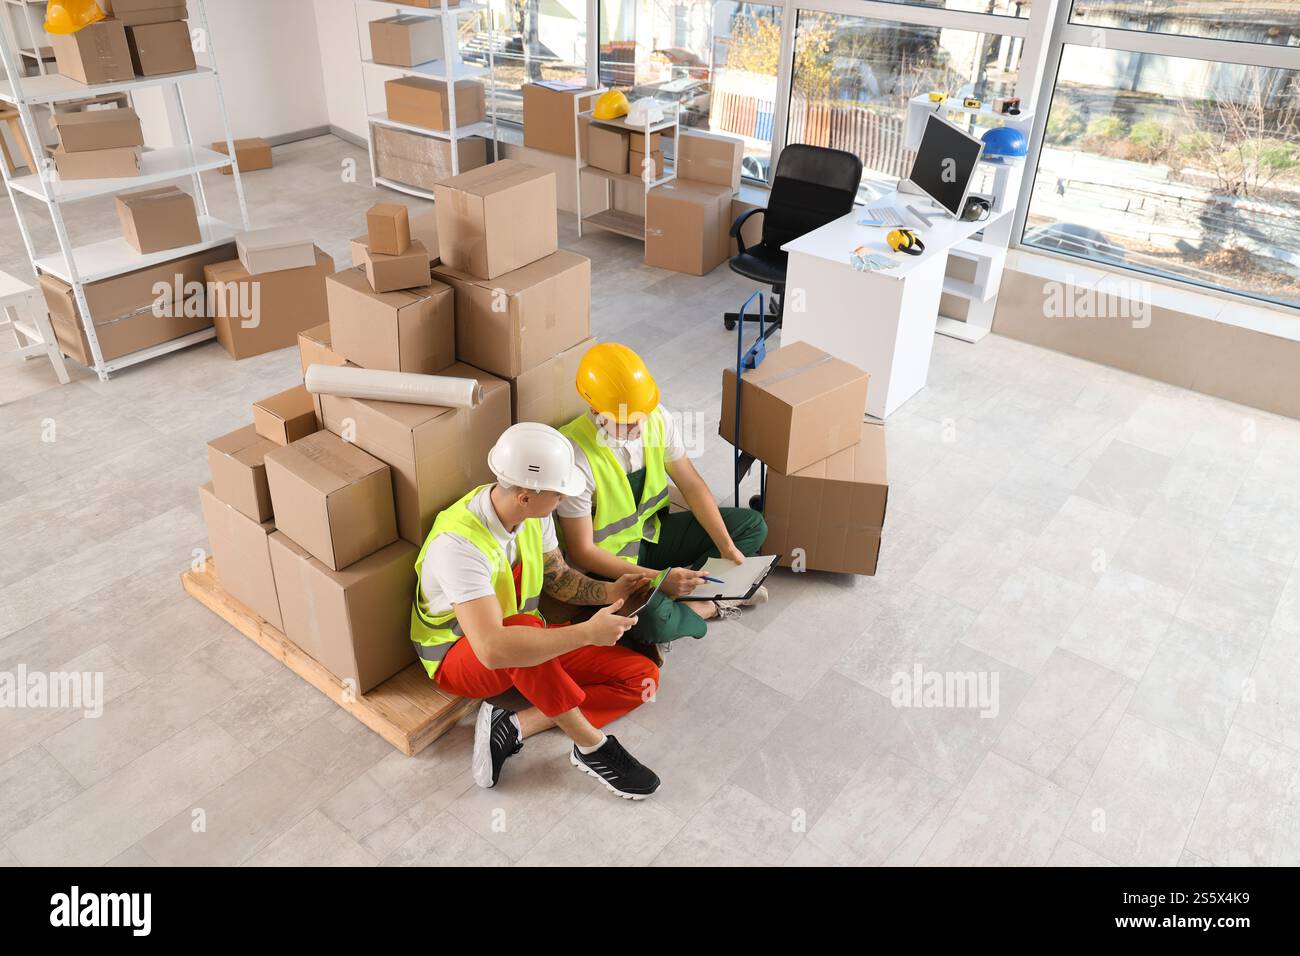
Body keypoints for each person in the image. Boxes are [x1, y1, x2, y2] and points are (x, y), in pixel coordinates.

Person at [411, 421, 662, 799]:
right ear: (526, 495)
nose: (563, 501)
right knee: (523, 625)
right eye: (558, 493)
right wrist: (585, 633)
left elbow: (558, 577)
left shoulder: (531, 512)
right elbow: (493, 648)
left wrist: (611, 591)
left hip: (524, 644)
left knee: (642, 679)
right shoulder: (458, 544)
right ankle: (592, 747)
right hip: (463, 657)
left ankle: (514, 726)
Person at [557, 343, 769, 660]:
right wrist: (657, 579)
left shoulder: (655, 418)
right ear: (597, 413)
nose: (640, 426)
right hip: (613, 565)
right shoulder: (574, 455)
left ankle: (685, 591)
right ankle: (708, 606)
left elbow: (692, 485)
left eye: (642, 415)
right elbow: (582, 553)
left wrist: (725, 546)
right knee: (652, 622)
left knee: (752, 526)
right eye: (628, 422)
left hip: (654, 535)